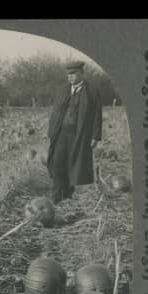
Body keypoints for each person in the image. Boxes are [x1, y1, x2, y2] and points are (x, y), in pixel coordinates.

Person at [46, 61, 102, 203]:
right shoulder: (62, 90)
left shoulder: (92, 91)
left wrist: (96, 136)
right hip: (61, 134)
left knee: (73, 165)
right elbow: (56, 113)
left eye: (73, 74)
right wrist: (51, 131)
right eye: (68, 75)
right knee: (58, 164)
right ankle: (56, 197)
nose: (70, 77)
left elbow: (97, 115)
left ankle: (67, 196)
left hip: (80, 135)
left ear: (81, 74)